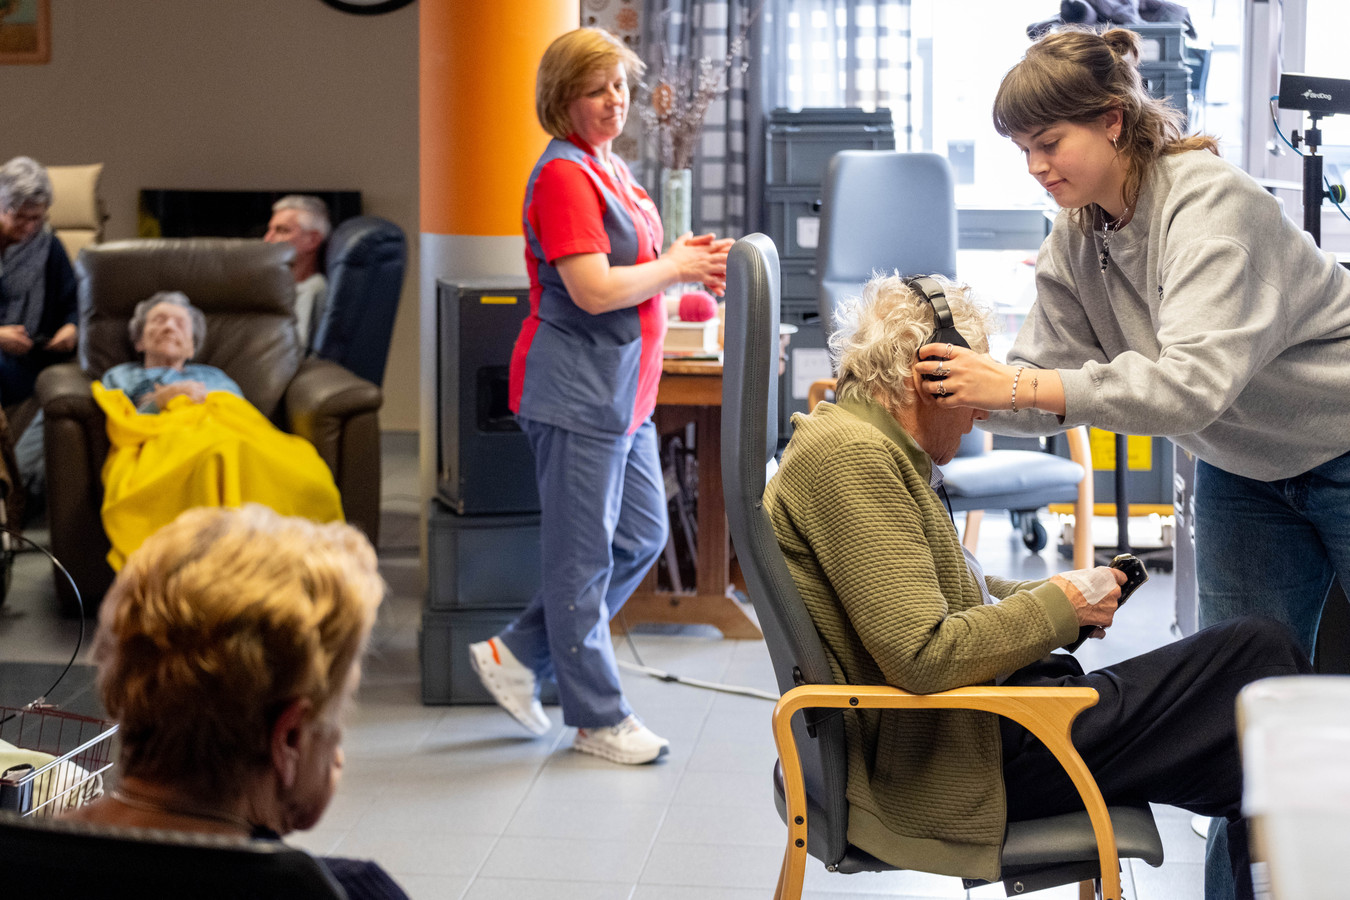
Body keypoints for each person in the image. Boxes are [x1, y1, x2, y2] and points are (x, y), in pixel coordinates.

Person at [764, 273, 1309, 900]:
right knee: (1259, 661)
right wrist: (1056, 609)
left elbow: (946, 590)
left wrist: (1058, 599)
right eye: (969, 393)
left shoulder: (862, 445)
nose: (978, 415)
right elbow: (924, 653)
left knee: (1250, 750)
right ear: (928, 377)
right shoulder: (851, 458)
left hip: (981, 731)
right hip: (963, 758)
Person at [909, 26, 1350, 663]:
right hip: (1243, 463)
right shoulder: (1077, 233)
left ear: (1112, 121)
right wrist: (955, 394)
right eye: (1023, 149)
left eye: (1049, 143)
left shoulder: (1211, 209)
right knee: (1234, 680)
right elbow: (1042, 377)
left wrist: (1009, 386)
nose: (1035, 167)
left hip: (1339, 438)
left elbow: (1187, 389)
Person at [467, 27, 733, 765]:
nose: (614, 100)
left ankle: (520, 652)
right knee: (580, 560)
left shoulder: (609, 167)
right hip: (576, 393)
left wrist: (690, 264)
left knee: (641, 535)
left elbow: (642, 264)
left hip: (626, 393)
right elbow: (591, 289)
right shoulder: (561, 177)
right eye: (596, 89)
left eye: (619, 85)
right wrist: (674, 267)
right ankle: (596, 718)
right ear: (562, 99)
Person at [66, 504, 409, 900]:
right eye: (339, 711)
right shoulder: (347, 891)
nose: (338, 752)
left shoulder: (26, 862)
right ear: (290, 738)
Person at [96, 290, 344, 569]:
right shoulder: (121, 375)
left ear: (191, 347)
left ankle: (278, 562)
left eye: (179, 323)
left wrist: (201, 401)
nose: (168, 326)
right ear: (140, 341)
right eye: (159, 320)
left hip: (224, 431)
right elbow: (121, 419)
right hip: (165, 440)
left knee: (289, 464)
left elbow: (241, 416)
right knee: (218, 456)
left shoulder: (214, 377)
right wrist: (161, 402)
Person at [0, 155, 77, 407]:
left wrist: (71, 328)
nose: (30, 226)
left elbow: (74, 303)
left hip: (30, 359)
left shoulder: (48, 246)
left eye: (37, 217)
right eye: (21, 216)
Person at [264, 194, 331, 350]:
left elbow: (294, 353)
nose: (267, 239)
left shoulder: (312, 289)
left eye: (281, 230)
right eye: (269, 230)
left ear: (312, 240)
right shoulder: (271, 287)